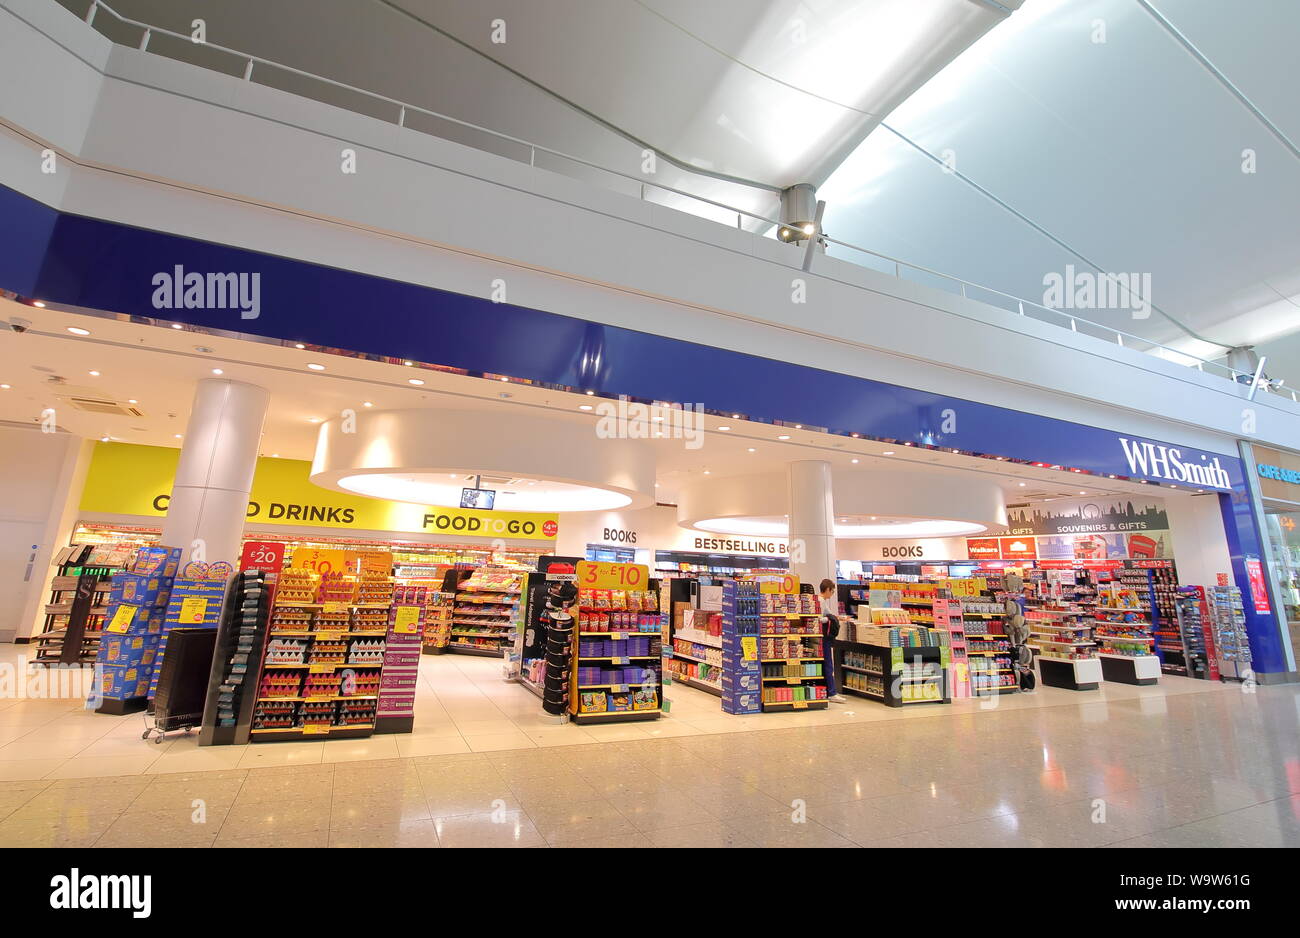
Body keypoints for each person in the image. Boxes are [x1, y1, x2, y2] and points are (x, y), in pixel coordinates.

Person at [819, 578, 846, 703]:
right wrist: (830, 619)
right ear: (828, 589)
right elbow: (819, 618)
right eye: (832, 591)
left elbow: (829, 614)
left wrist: (836, 617)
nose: (832, 594)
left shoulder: (822, 601)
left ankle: (829, 691)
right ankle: (831, 692)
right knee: (828, 663)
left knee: (828, 663)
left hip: (824, 637)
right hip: (824, 637)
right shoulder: (820, 600)